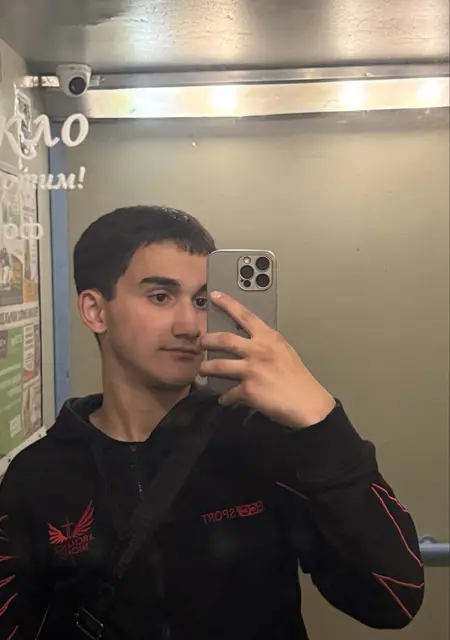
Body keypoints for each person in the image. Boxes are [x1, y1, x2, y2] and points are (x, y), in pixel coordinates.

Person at [0, 205, 425, 640]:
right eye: (160, 296)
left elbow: (393, 598)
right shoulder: (37, 476)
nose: (190, 325)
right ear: (95, 310)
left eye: (202, 301)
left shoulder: (262, 442)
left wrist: (321, 422)